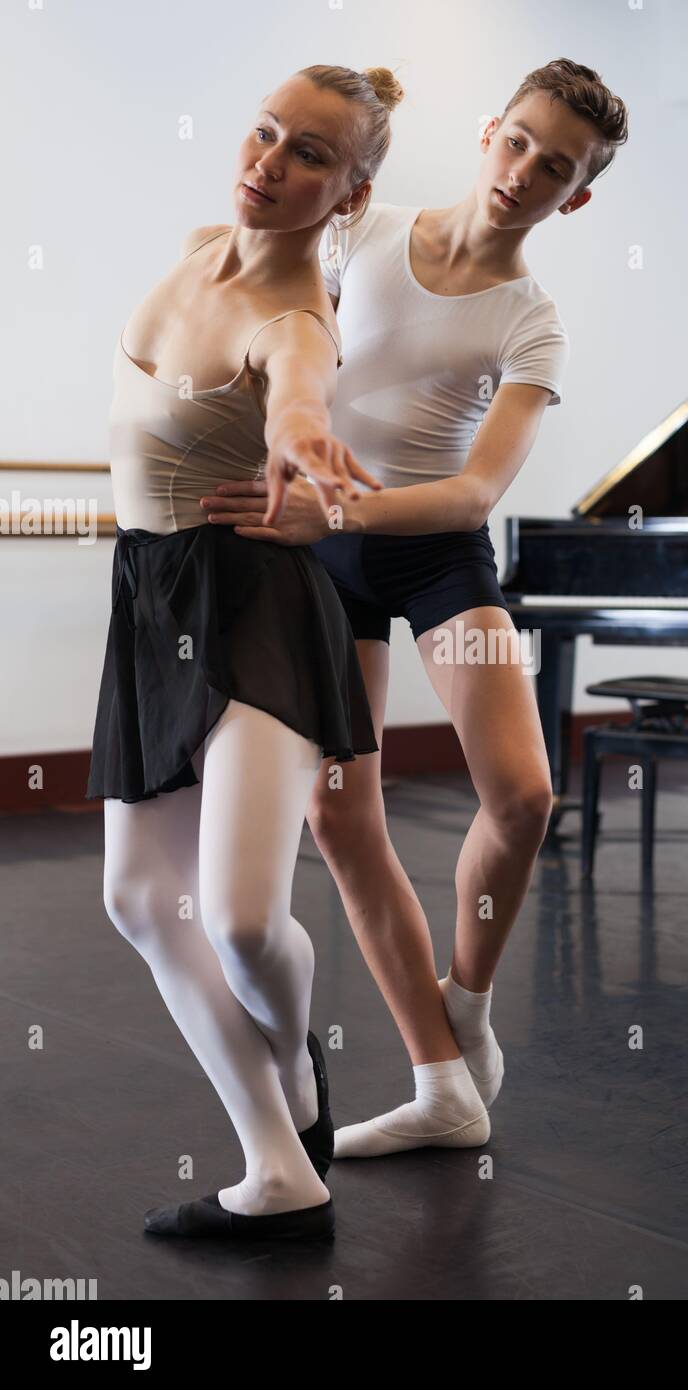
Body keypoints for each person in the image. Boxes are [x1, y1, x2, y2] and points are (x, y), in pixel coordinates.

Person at [201, 58, 630, 1157]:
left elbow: (478, 488)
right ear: (491, 132)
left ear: (576, 196)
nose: (527, 171)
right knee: (342, 815)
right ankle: (441, 1085)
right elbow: (287, 343)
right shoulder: (362, 233)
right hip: (322, 552)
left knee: (524, 797)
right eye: (520, 142)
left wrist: (341, 515)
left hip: (431, 549)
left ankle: (468, 1010)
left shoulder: (533, 322)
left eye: (558, 168)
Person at [85, 64, 409, 1240]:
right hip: (148, 588)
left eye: (311, 154)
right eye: (267, 133)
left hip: (253, 601)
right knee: (134, 894)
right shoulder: (191, 245)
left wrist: (305, 435)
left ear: (350, 191)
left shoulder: (294, 320)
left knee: (235, 917)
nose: (270, 161)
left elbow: (298, 396)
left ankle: (297, 1061)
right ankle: (279, 1164)